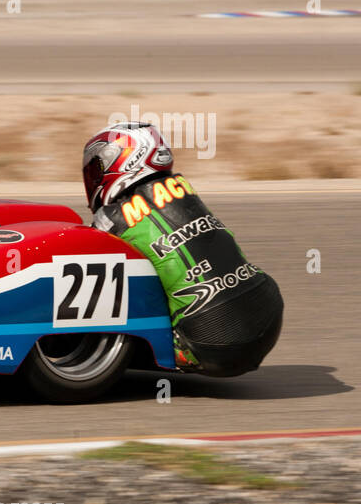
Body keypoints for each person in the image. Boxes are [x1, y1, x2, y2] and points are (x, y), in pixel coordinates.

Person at [81, 122, 283, 376]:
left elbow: (82, 251)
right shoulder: (183, 189)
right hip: (267, 307)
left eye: (98, 167)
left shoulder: (112, 217)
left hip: (213, 338)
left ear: (124, 161)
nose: (94, 177)